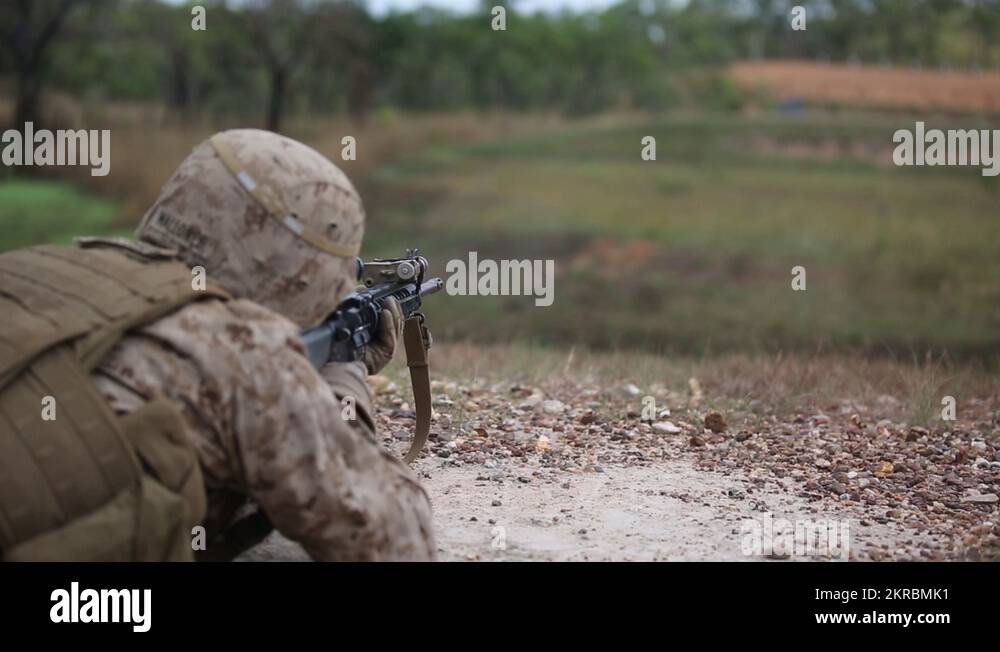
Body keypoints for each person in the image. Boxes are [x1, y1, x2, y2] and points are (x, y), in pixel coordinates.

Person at [0, 129, 435, 561]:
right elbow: (398, 539)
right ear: (300, 268)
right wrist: (343, 374)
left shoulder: (33, 272)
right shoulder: (246, 355)